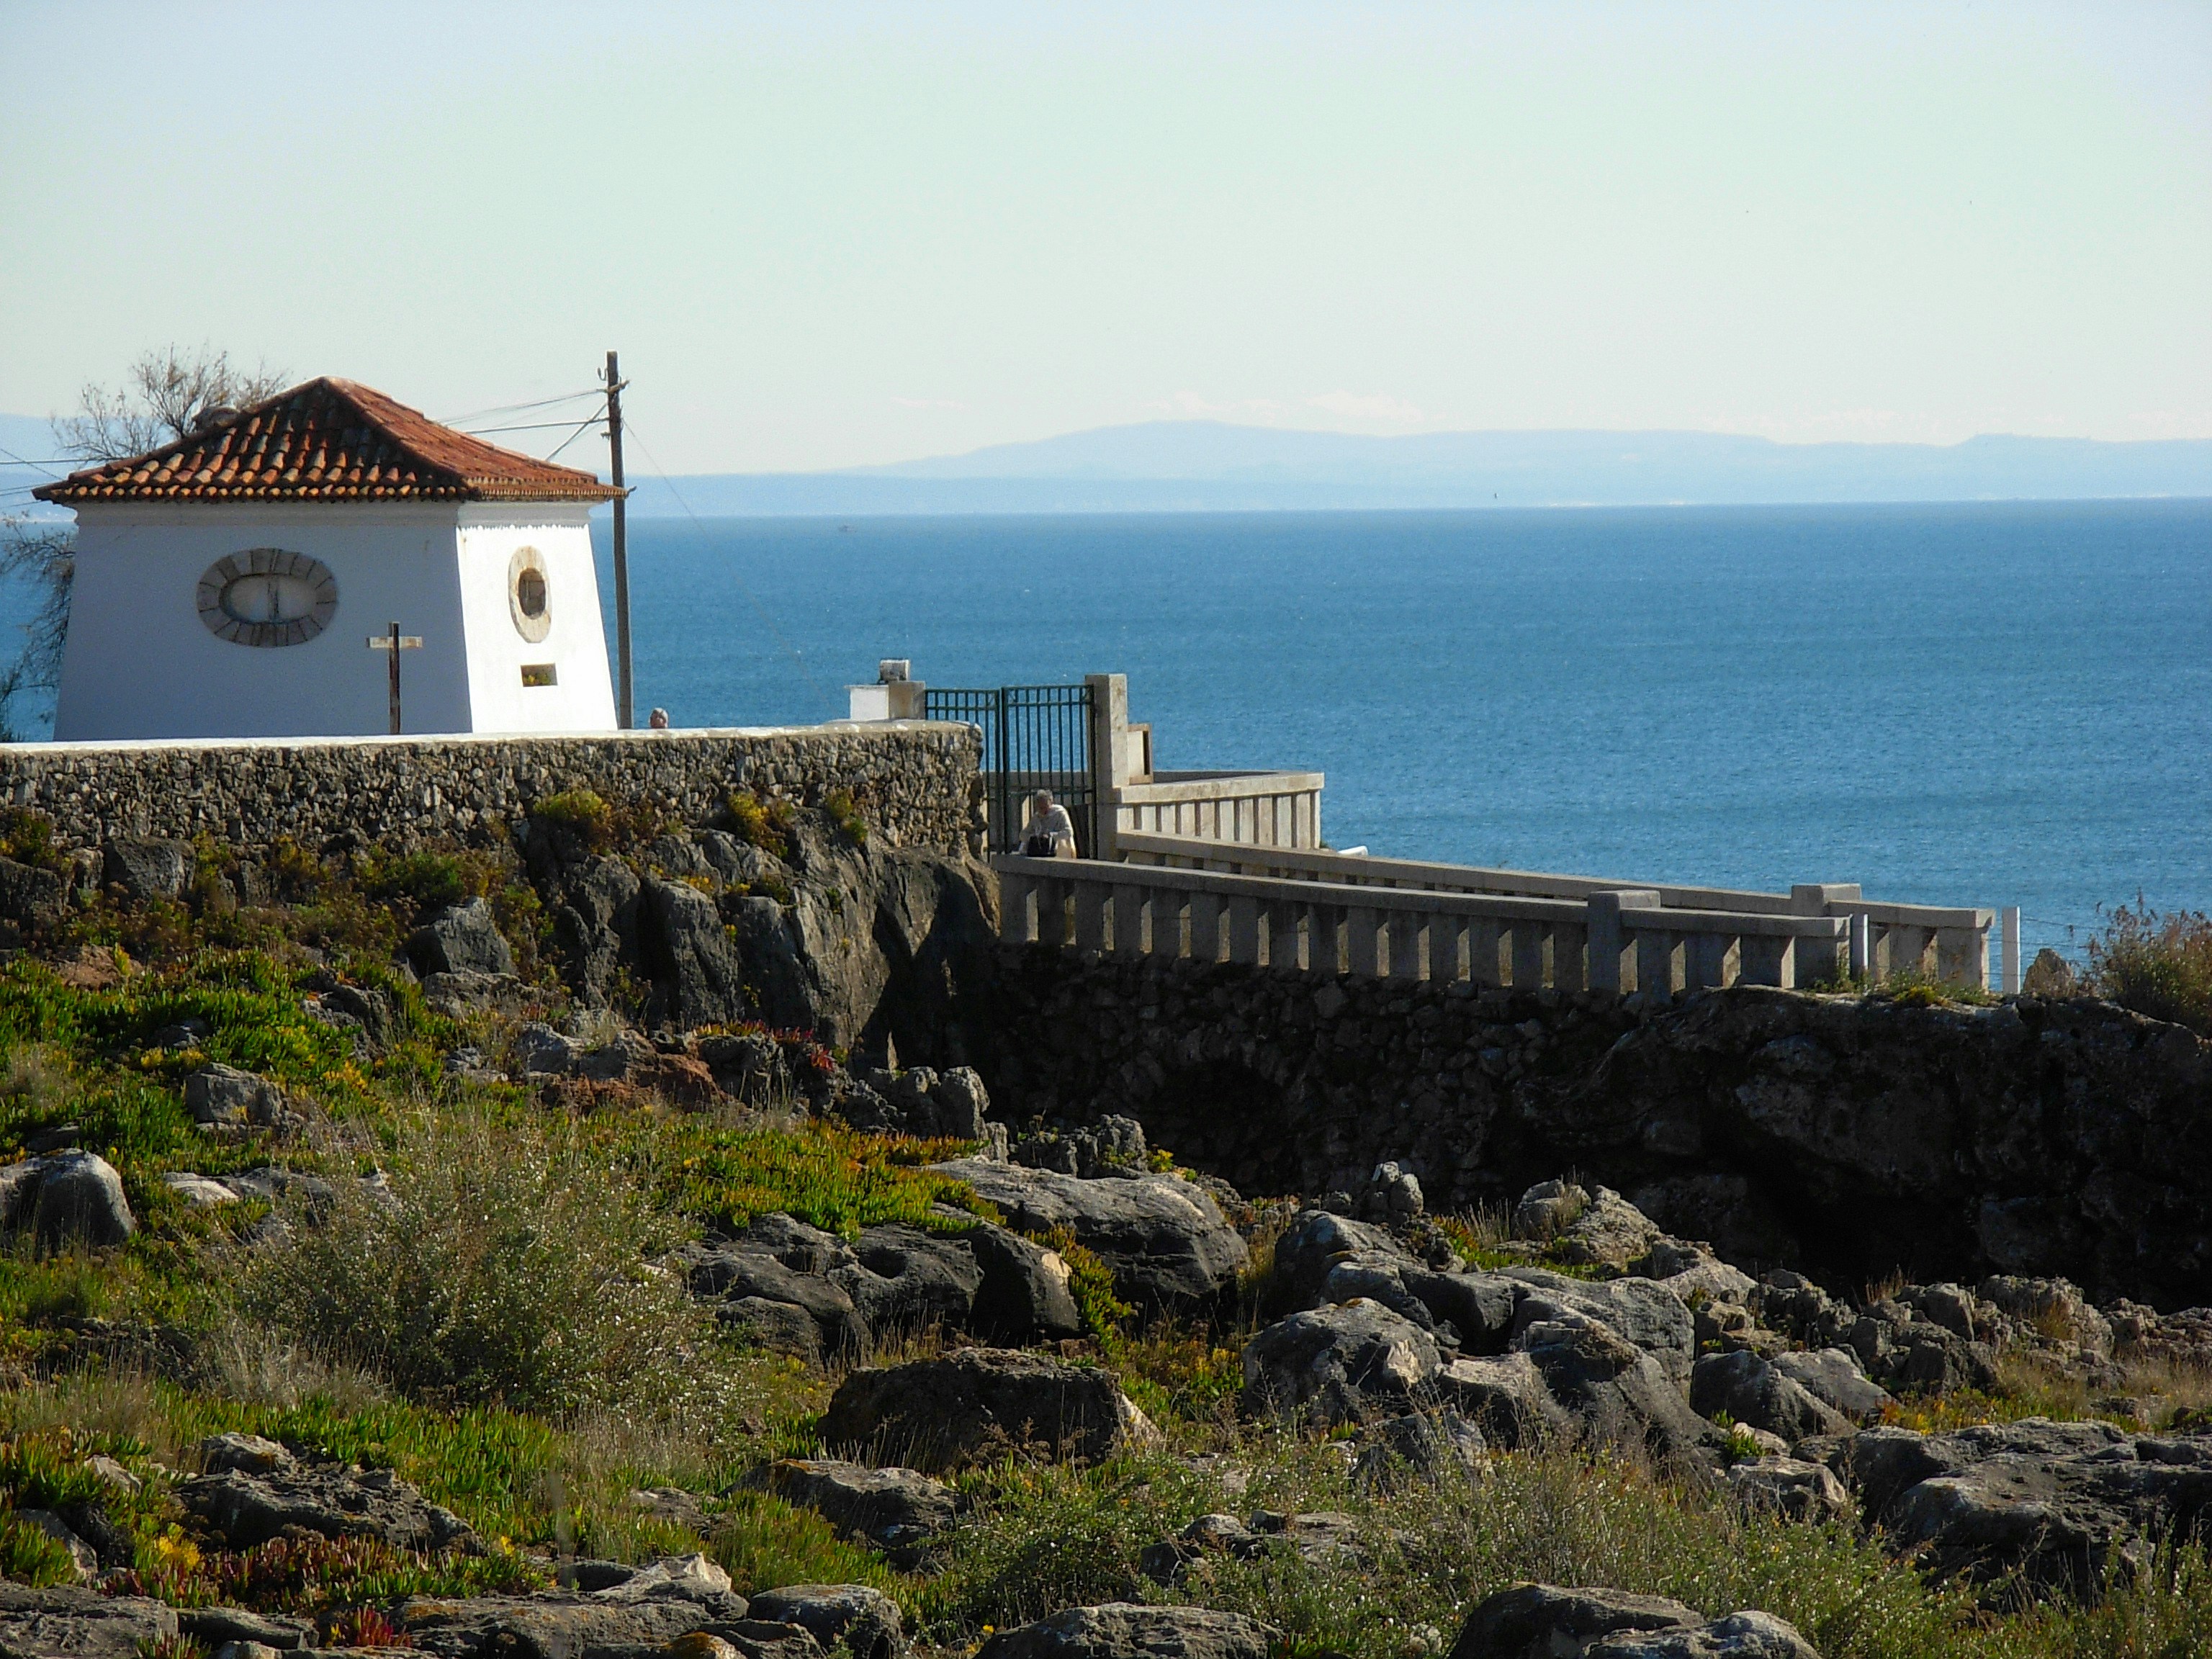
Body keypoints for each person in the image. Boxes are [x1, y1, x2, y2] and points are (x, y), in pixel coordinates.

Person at [1020, 789, 1079, 859]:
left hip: (1060, 851)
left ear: (1051, 803)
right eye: (1040, 808)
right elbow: (1023, 834)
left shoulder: (1060, 813)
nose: (1043, 811)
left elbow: (1069, 832)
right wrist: (1034, 837)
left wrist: (1051, 835)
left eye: (1045, 807)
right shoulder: (1036, 817)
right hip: (1041, 852)